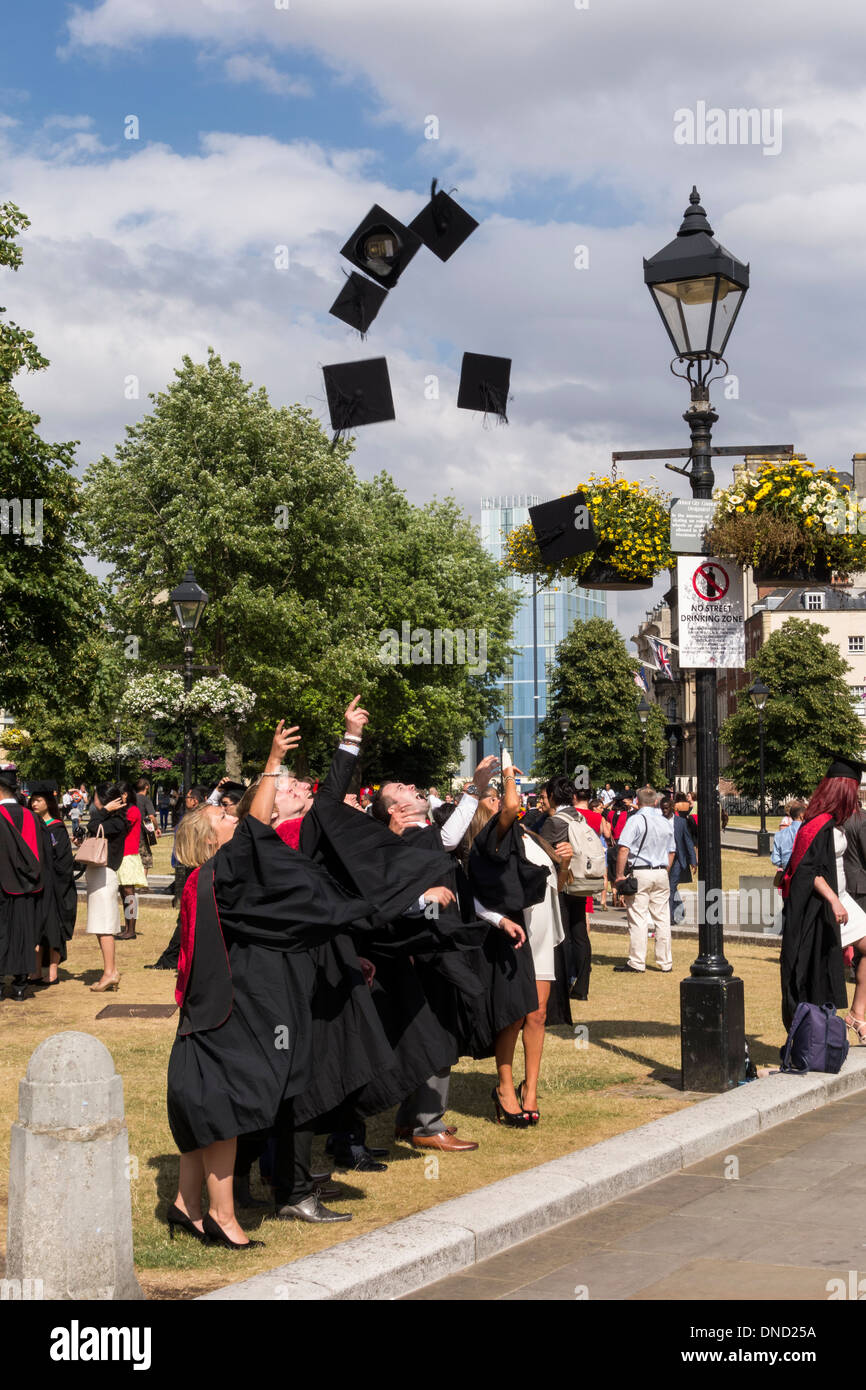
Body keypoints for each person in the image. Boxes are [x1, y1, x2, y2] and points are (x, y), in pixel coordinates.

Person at [370, 754, 500, 1151]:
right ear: (396, 810)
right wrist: (476, 788)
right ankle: (429, 1124)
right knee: (439, 1034)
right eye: (400, 790)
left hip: (430, 948)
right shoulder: (403, 838)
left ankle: (411, 1119)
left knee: (423, 1033)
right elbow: (446, 840)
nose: (410, 786)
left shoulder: (416, 833)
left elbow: (446, 838)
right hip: (426, 952)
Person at [467, 747, 570, 1125]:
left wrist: (565, 863)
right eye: (493, 798)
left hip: (544, 934)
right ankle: (505, 1086)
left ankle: (532, 1088)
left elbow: (552, 885)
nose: (503, 801)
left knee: (538, 1015)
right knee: (512, 1016)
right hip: (516, 935)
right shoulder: (492, 839)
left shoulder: (527, 835)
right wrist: (508, 770)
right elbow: (511, 806)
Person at [779, 757, 861, 1033]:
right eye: (854, 789)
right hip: (821, 906)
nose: (856, 795)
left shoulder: (833, 822)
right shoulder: (817, 824)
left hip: (840, 898)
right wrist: (834, 900)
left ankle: (857, 1014)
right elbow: (807, 870)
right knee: (814, 969)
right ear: (842, 790)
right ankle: (811, 1032)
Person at [540, 775, 593, 1001]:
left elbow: (539, 852)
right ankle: (582, 986)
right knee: (579, 932)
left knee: (563, 934)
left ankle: (563, 982)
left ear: (552, 796)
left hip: (562, 882)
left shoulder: (554, 822)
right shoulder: (579, 817)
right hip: (581, 880)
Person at [613, 787, 676, 974]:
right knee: (662, 917)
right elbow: (672, 851)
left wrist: (619, 875)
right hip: (661, 872)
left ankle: (637, 961)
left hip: (640, 871)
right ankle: (665, 961)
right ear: (656, 801)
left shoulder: (636, 820)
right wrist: (665, 869)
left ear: (637, 802)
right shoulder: (665, 822)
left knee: (638, 918)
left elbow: (624, 849)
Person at [0, 765, 44, 1000]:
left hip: (2, 885)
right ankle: (19, 985)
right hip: (29, 885)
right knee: (24, 932)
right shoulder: (32, 817)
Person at [28, 783, 77, 985]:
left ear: (48, 802)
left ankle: (53, 973)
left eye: (38, 800)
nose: (34, 804)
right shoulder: (31, 824)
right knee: (35, 928)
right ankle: (36, 970)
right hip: (35, 885)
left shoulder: (56, 827)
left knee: (53, 928)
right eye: (33, 800)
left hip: (54, 886)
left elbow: (64, 860)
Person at [83, 784, 128, 992]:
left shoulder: (117, 822)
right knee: (100, 926)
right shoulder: (109, 821)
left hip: (105, 875)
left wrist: (104, 811)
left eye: (96, 799)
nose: (94, 803)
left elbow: (93, 826)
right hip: (98, 874)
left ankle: (110, 972)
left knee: (105, 927)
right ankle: (110, 970)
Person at [116, 781, 148, 940]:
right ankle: (128, 927)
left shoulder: (132, 810)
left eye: (122, 794)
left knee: (129, 893)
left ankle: (131, 930)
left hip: (128, 855)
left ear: (128, 794)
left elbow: (120, 827)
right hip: (122, 855)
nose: (120, 797)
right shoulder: (124, 810)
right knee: (124, 893)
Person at [664, 794, 697, 925]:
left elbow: (688, 841)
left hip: (677, 859)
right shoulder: (659, 821)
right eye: (662, 808)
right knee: (669, 887)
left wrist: (693, 860)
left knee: (671, 886)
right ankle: (680, 909)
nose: (664, 811)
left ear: (672, 808)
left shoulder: (681, 822)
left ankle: (671, 917)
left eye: (666, 808)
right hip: (663, 859)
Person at [135, 777, 159, 877]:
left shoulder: (132, 798)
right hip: (141, 834)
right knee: (145, 857)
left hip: (130, 833)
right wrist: (157, 828)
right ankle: (142, 884)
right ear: (147, 787)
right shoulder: (145, 799)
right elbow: (151, 817)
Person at [772, 801, 805, 872]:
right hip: (805, 873)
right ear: (802, 816)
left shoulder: (779, 835)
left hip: (786, 873)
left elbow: (775, 859)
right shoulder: (808, 832)